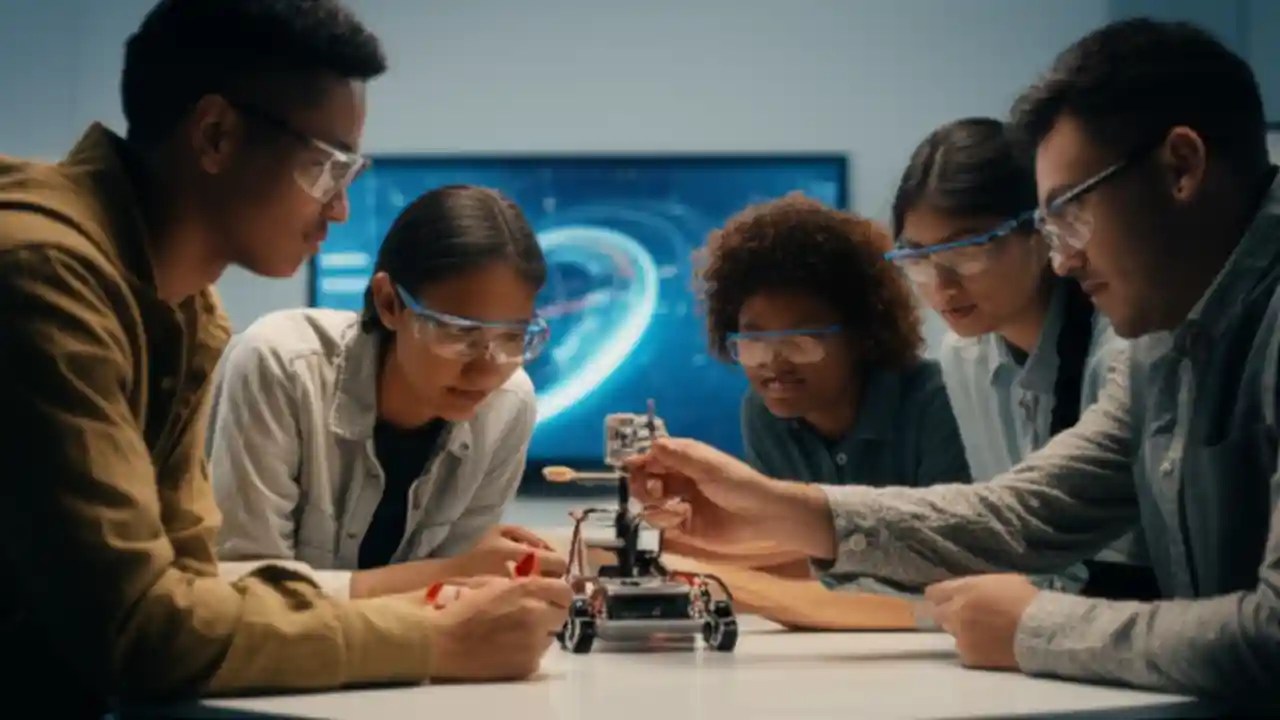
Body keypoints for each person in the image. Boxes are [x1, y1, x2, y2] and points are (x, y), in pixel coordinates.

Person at [629, 18, 1279, 703]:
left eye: (1070, 214)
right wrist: (777, 507)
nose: (1063, 258)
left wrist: (1035, 627)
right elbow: (1026, 514)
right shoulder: (1160, 339)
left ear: (1181, 168)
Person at [0, 1, 567, 714]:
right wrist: (433, 639)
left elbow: (193, 587)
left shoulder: (182, 307)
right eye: (326, 168)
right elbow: (137, 626)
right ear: (216, 135)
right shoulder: (42, 271)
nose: (338, 211)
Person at [209, 185, 566, 599]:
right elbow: (246, 591)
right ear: (389, 303)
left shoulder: (509, 403)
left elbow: (458, 601)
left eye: (513, 337)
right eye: (460, 332)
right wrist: (450, 573)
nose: (487, 369)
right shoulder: (282, 365)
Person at [660, 194, 968, 628]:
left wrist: (721, 583)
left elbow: (941, 583)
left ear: (863, 334)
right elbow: (813, 558)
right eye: (753, 340)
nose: (772, 362)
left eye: (800, 340)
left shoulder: (940, 403)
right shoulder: (765, 415)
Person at [886, 117, 1154, 599]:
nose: (942, 287)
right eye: (918, 260)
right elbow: (1006, 535)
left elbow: (1115, 551)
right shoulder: (963, 355)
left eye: (967, 252)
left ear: (1041, 232)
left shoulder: (1120, 344)